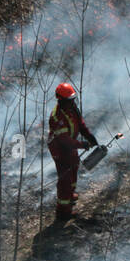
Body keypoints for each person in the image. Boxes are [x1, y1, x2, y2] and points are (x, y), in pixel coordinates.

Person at [47, 83, 98, 222]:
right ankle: (63, 211)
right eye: (69, 100)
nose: (72, 102)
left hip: (71, 146)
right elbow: (64, 140)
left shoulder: (72, 108)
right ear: (61, 100)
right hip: (60, 148)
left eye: (73, 99)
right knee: (65, 178)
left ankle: (70, 194)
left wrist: (89, 135)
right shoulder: (56, 117)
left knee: (74, 167)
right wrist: (83, 145)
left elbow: (80, 124)